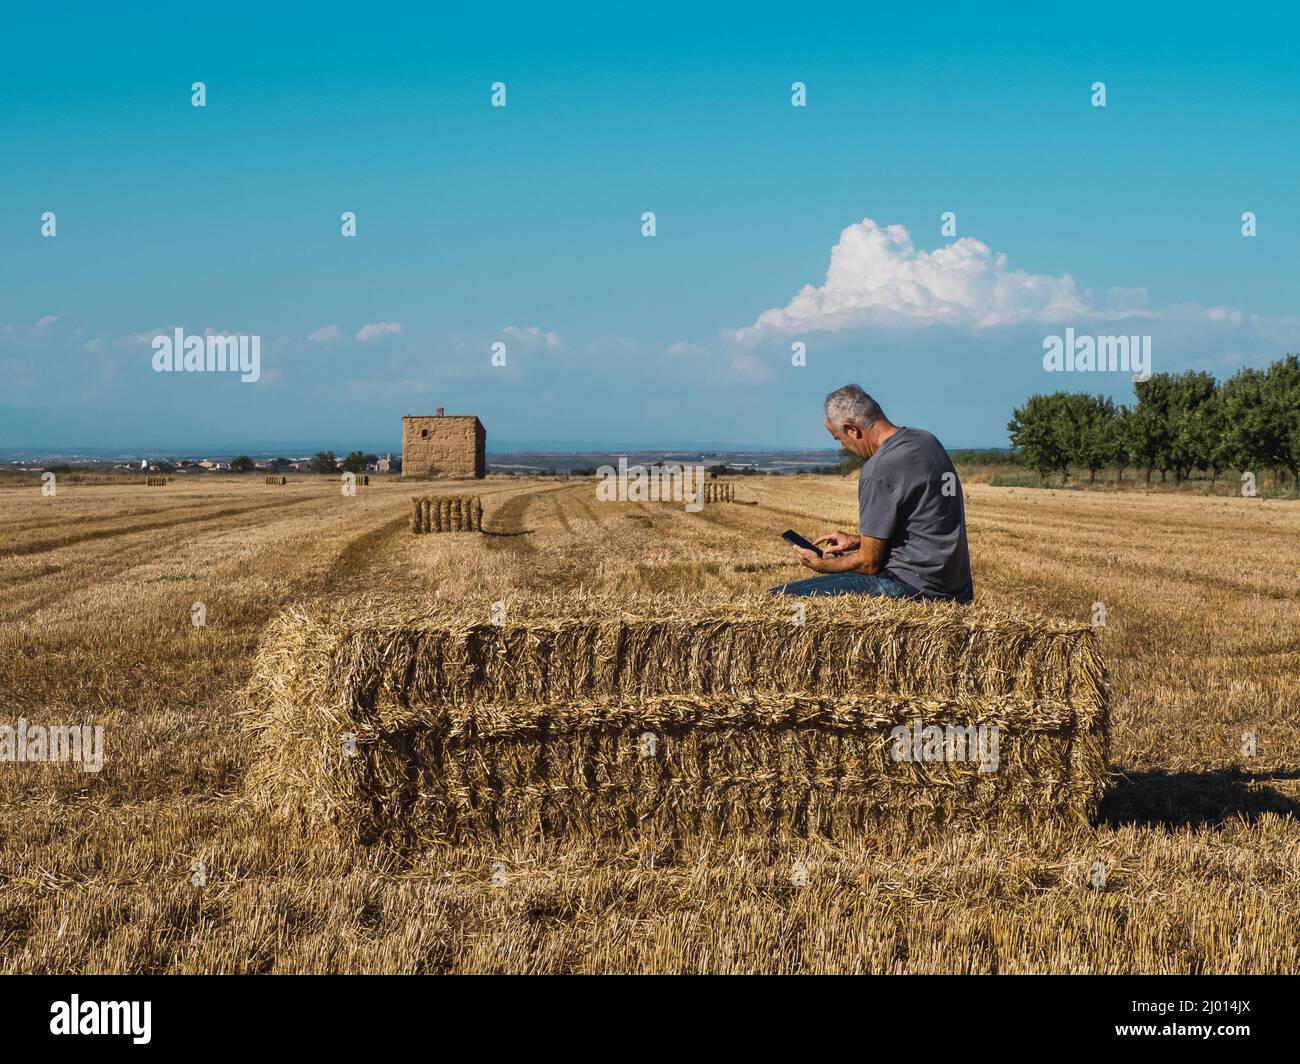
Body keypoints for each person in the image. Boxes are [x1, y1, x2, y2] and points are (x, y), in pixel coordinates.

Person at [770, 384, 974, 602]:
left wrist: (821, 565)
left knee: (776, 599)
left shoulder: (878, 470)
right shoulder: (927, 441)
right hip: (954, 589)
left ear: (852, 430)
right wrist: (857, 541)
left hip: (911, 588)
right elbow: (925, 528)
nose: (842, 447)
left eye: (838, 438)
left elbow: (869, 563)